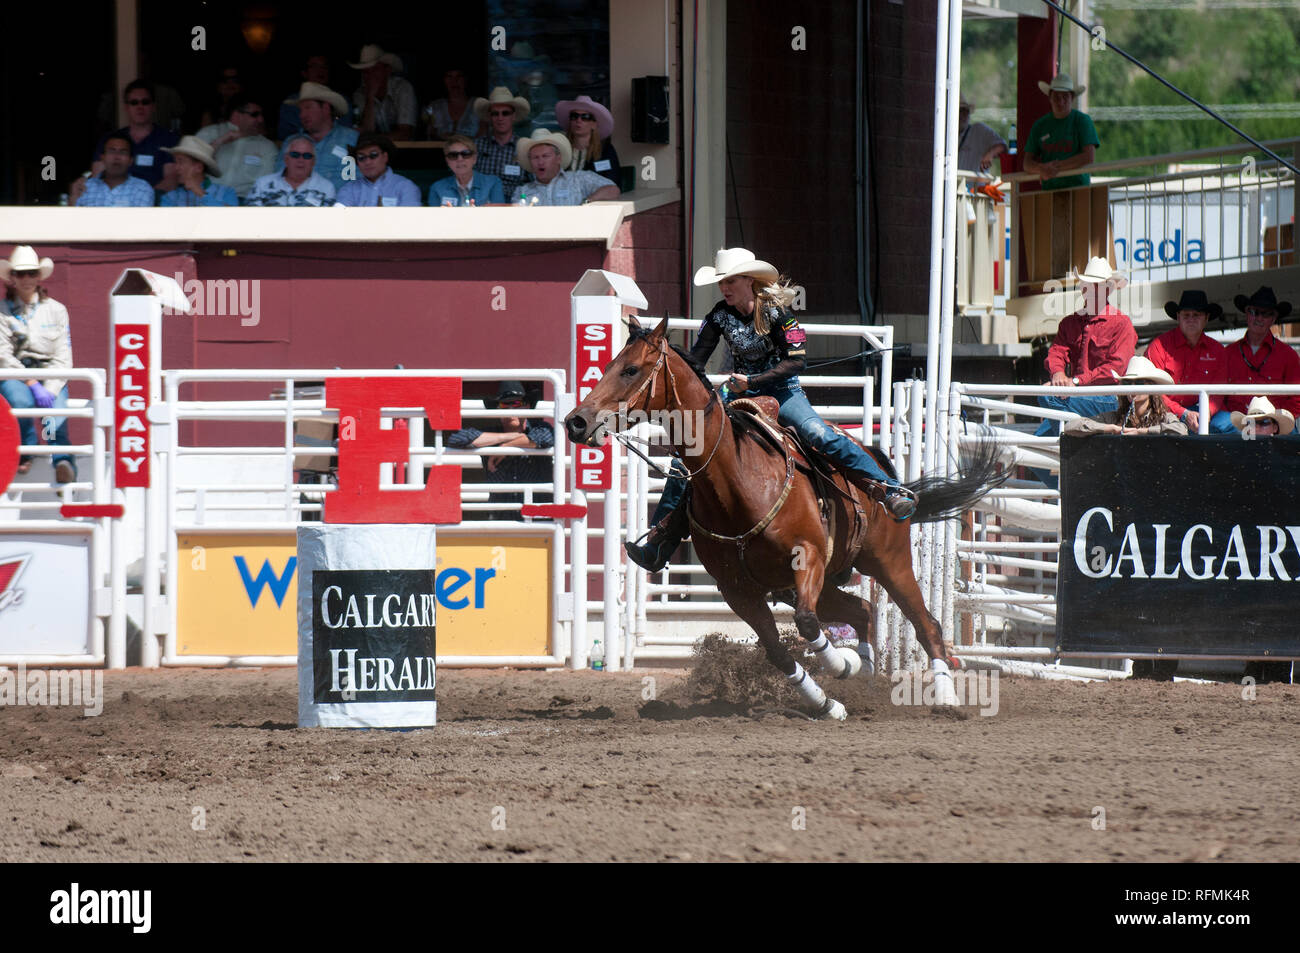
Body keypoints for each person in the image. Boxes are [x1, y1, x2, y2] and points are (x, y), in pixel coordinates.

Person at [624, 248, 917, 573]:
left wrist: (752, 381)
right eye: (722, 281)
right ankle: (659, 542)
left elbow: (796, 362)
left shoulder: (780, 315)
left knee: (818, 434)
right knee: (689, 455)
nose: (725, 287)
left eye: (731, 280)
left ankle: (887, 490)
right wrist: (702, 393)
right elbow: (696, 361)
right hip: (737, 392)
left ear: (749, 280)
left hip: (782, 392)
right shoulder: (718, 316)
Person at [1033, 257, 1137, 489]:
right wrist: (1058, 373)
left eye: (1097, 285)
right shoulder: (1071, 322)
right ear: (1083, 288)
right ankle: (1074, 489)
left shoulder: (1121, 324)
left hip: (1107, 398)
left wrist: (1074, 381)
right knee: (1028, 451)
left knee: (1046, 400)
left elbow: (1116, 369)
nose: (1091, 290)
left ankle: (1075, 478)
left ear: (1108, 289)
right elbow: (1057, 352)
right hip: (1082, 397)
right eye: (1088, 285)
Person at [0, 247, 77, 482]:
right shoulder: (2, 311)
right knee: (20, 402)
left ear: (38, 276)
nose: (26, 279)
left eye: (31, 273)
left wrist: (51, 389)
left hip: (50, 372)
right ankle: (26, 449)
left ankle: (62, 461)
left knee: (54, 414)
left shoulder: (56, 310)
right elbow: (2, 354)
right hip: (16, 374)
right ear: (11, 278)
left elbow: (63, 355)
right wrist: (32, 382)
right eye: (20, 274)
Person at [445, 381, 554, 520]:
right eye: (504, 405)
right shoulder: (492, 434)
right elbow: (456, 438)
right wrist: (510, 437)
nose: (510, 410)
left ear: (527, 406)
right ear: (497, 410)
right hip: (501, 519)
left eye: (515, 404)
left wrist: (504, 448)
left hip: (538, 518)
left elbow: (545, 438)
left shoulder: (540, 428)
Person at [1143, 289, 1233, 433]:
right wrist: (1184, 413)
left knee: (1233, 426)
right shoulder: (1158, 346)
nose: (1191, 319)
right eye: (1186, 315)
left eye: (1196, 315)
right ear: (1178, 317)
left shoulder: (1218, 350)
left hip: (1201, 410)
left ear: (1206, 318)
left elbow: (1218, 392)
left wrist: (1206, 413)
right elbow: (1153, 393)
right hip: (1165, 411)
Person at [1224, 286, 1300, 420]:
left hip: (1276, 426)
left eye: (1265, 313)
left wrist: (1276, 422)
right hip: (1234, 425)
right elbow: (1217, 398)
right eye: (1254, 311)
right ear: (1246, 313)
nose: (1259, 318)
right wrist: (1234, 421)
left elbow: (1296, 400)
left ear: (1273, 318)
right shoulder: (1227, 354)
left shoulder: (1288, 356)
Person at [91, 80, 179, 194]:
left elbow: (171, 180)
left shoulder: (169, 139)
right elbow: (97, 177)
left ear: (153, 106)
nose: (140, 107)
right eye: (134, 102)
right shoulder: (110, 140)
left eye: (145, 102)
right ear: (126, 107)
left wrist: (143, 201)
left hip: (156, 204)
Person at [1062, 357, 1188, 436]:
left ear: (1151, 387)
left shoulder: (1164, 417)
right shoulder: (1113, 418)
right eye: (1127, 383)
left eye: (1139, 382)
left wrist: (1143, 432)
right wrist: (1110, 428)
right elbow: (1071, 426)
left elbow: (1181, 430)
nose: (1132, 387)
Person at [1022, 73, 1098, 191]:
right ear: (1050, 97)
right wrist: (1041, 169)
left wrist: (1051, 168)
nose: (1060, 101)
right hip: (1049, 192)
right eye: (1056, 97)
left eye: (1065, 97)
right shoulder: (1040, 125)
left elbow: (1089, 156)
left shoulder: (1083, 121)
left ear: (1072, 98)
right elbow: (1026, 163)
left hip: (1078, 190)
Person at [277, 83, 359, 192]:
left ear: (325, 108)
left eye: (308, 108)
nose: (302, 115)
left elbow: (355, 180)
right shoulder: (291, 142)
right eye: (301, 110)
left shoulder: (350, 139)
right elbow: (278, 179)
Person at [510, 129, 620, 206]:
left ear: (558, 158)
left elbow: (612, 189)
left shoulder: (579, 179)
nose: (540, 162)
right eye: (535, 157)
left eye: (545, 156)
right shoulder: (522, 191)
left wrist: (587, 202)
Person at [205, 96, 279, 202]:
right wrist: (220, 141)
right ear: (236, 116)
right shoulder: (209, 133)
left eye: (261, 115)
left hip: (243, 202)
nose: (261, 119)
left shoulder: (267, 147)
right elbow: (192, 165)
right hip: (205, 196)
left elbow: (265, 185)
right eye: (255, 114)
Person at [245, 134, 336, 206]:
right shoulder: (262, 184)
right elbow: (253, 220)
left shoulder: (326, 188)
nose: (301, 160)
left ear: (314, 161)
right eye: (295, 155)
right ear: (286, 158)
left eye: (307, 156)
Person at [348, 45, 417, 141]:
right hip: (374, 152)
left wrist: (374, 140)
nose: (370, 76)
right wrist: (370, 97)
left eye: (375, 70)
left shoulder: (402, 88)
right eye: (366, 72)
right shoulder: (359, 94)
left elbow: (405, 133)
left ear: (387, 70)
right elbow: (366, 130)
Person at [278, 54, 352, 140]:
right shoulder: (290, 103)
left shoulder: (341, 99)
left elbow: (347, 129)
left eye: (324, 67)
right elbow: (284, 136)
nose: (320, 70)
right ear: (304, 73)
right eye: (314, 66)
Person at [474, 87, 532, 197]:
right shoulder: (477, 146)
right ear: (490, 117)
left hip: (515, 206)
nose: (500, 118)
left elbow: (534, 183)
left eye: (505, 113)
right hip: (484, 205)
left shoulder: (524, 147)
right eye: (495, 113)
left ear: (513, 116)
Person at [335, 134, 421, 207]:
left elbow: (410, 223)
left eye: (373, 155)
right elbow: (341, 222)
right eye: (361, 157)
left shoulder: (406, 187)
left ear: (385, 156)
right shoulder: (349, 190)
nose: (367, 162)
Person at [556, 95, 621, 188]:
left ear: (594, 124)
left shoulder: (605, 150)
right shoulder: (560, 148)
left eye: (585, 117)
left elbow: (612, 181)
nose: (578, 120)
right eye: (574, 116)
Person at [72, 135, 155, 207]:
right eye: (112, 151)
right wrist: (73, 197)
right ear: (102, 158)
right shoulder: (86, 187)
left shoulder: (142, 188)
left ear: (130, 160)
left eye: (123, 152)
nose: (117, 157)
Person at [158, 137, 239, 207]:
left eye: (181, 162)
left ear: (199, 167)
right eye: (175, 162)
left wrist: (200, 193)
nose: (176, 167)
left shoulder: (226, 192)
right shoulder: (169, 197)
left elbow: (232, 219)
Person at [429, 135, 504, 206]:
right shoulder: (437, 188)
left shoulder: (493, 183)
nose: (460, 159)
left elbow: (499, 216)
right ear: (447, 161)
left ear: (474, 159)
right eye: (453, 155)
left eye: (465, 154)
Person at [425, 68, 484, 140]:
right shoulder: (434, 106)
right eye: (449, 76)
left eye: (459, 76)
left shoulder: (479, 105)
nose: (454, 81)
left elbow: (483, 137)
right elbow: (430, 135)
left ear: (466, 79)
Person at [957, 95, 1007, 176]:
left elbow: (1002, 146)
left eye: (965, 111)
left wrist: (990, 154)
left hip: (976, 187)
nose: (962, 115)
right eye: (959, 111)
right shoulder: (944, 135)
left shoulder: (978, 130)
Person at [1230, 396, 1295, 437]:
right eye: (1251, 423)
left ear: (1275, 428)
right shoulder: (1238, 453)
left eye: (1264, 422)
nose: (1257, 428)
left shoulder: (1284, 454)